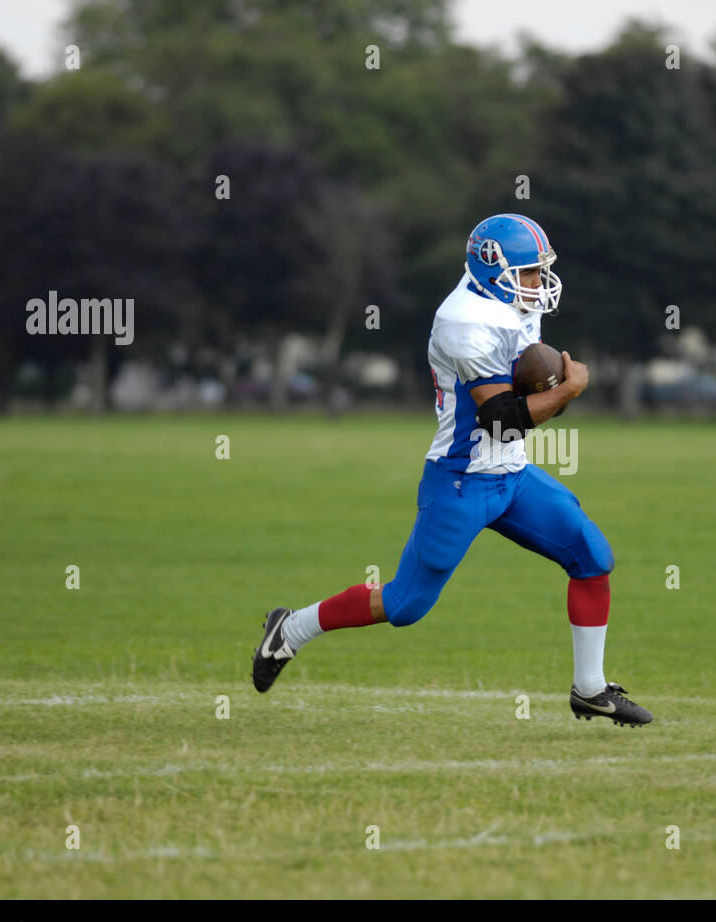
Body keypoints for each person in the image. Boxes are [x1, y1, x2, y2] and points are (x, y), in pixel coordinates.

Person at [251, 213, 652, 726]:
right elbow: (503, 419)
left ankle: (590, 689)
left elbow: (525, 409)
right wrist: (567, 390)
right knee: (405, 604)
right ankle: (292, 629)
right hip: (462, 479)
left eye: (538, 271)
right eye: (528, 273)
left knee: (592, 556)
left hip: (513, 475)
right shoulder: (465, 320)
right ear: (492, 269)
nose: (537, 284)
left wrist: (554, 393)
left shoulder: (509, 300)